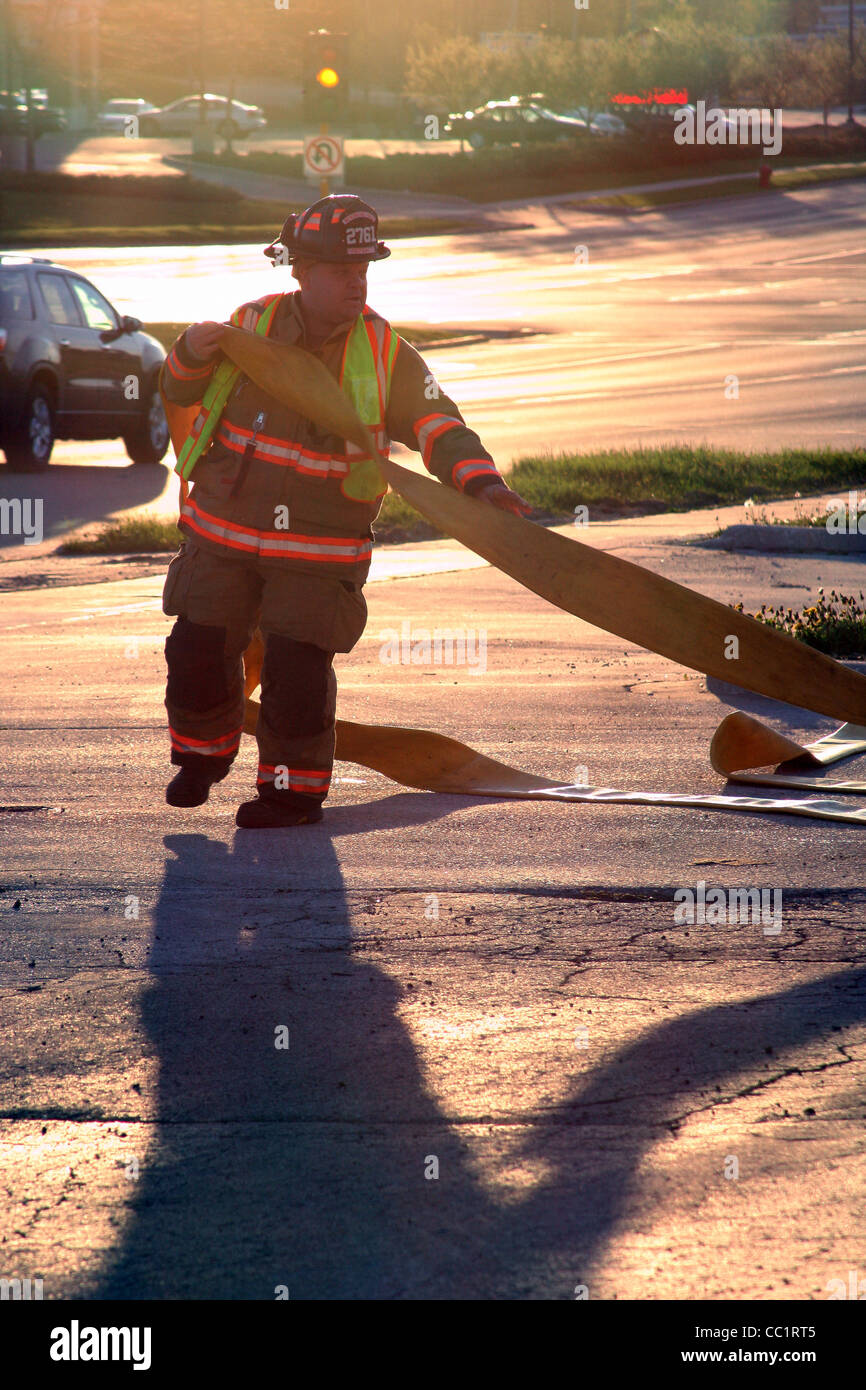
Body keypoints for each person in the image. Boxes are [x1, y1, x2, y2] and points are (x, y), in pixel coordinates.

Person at [159, 193, 531, 830]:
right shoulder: (248, 325)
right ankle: (201, 759)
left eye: (364, 270)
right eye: (340, 270)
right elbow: (179, 388)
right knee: (196, 649)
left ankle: (290, 794)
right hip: (222, 534)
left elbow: (443, 425)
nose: (356, 282)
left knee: (297, 673)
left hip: (317, 554)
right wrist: (190, 348)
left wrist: (486, 488)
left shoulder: (387, 354)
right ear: (299, 270)